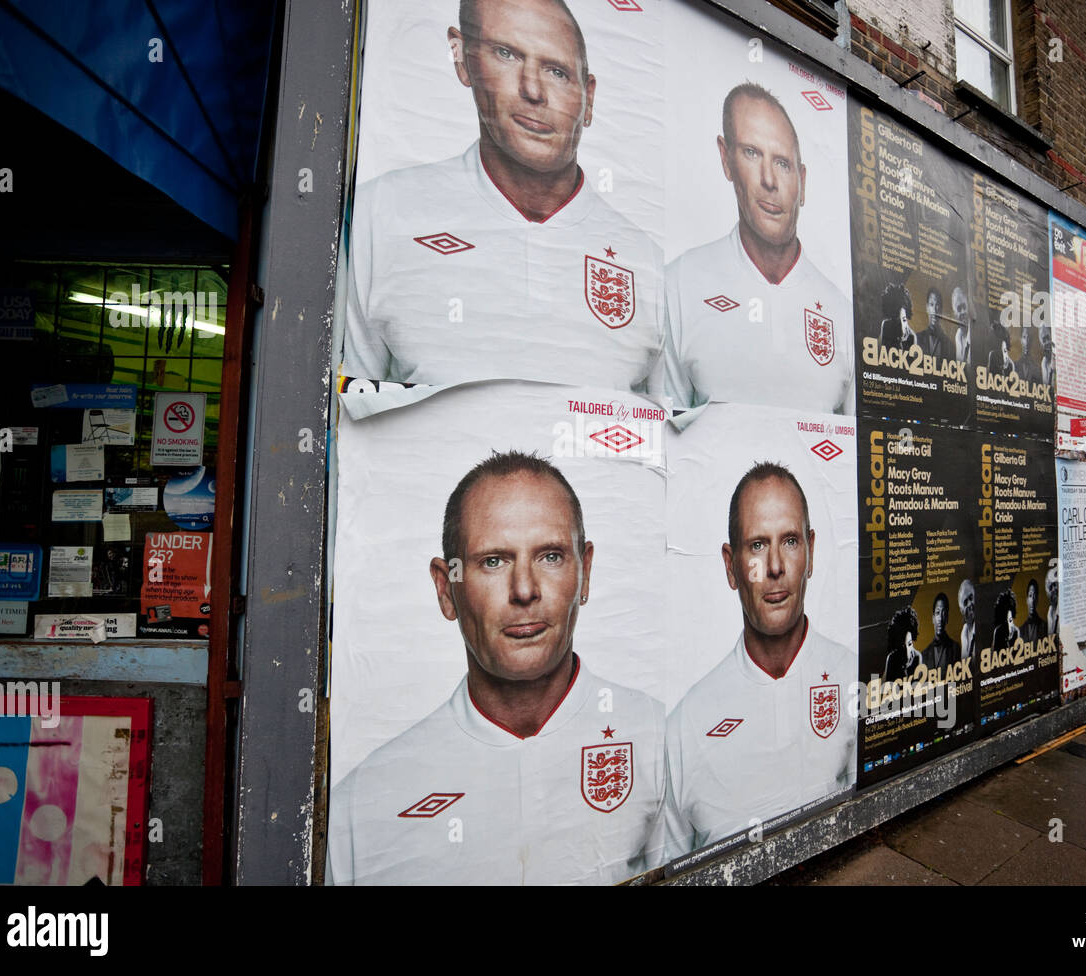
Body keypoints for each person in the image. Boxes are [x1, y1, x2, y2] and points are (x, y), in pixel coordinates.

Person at [328, 451, 666, 885]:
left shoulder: (658, 743)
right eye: (493, 561)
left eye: (550, 556)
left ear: (585, 572)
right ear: (446, 588)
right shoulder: (364, 803)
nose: (524, 590)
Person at [344, 0, 665, 392]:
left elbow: (661, 437)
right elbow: (349, 414)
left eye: (557, 71)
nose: (532, 90)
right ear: (461, 57)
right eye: (506, 54)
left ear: (589, 97)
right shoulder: (383, 212)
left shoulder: (644, 260)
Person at [663, 463, 855, 857]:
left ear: (811, 552)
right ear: (731, 566)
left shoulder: (854, 678)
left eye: (789, 541)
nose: (775, 568)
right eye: (756, 545)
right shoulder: (686, 728)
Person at [663, 83, 854, 415]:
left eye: (782, 163)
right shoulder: (679, 285)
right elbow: (664, 441)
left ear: (802, 182)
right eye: (751, 153)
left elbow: (853, 455)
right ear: (726, 159)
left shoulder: (842, 314)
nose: (769, 180)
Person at [921, 591, 961, 671]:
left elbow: (958, 680)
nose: (940, 618)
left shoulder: (955, 648)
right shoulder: (923, 655)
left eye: (944, 613)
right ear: (933, 618)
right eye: (938, 613)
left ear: (947, 618)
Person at [883, 606, 922, 681]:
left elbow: (918, 689)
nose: (907, 652)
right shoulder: (891, 659)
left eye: (910, 644)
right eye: (902, 646)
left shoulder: (917, 657)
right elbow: (888, 690)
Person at [878, 282, 918, 353]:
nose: (902, 326)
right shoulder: (886, 326)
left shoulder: (911, 337)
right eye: (897, 320)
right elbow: (880, 353)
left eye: (904, 320)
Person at [921, 287, 953, 361]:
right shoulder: (917, 339)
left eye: (937, 305)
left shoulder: (949, 345)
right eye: (932, 304)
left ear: (941, 309)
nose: (935, 310)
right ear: (927, 308)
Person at [1019, 578, 1047, 643]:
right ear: (1027, 600)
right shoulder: (1020, 630)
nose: (1032, 600)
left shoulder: (1044, 626)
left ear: (1037, 600)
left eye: (1035, 596)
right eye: (1030, 595)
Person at [951, 287, 972, 364]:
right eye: (959, 309)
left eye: (964, 307)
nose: (963, 312)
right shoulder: (957, 337)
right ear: (955, 314)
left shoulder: (976, 333)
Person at [958, 578, 976, 661]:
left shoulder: (982, 628)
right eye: (965, 602)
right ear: (962, 611)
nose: (970, 604)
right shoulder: (963, 633)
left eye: (971, 598)